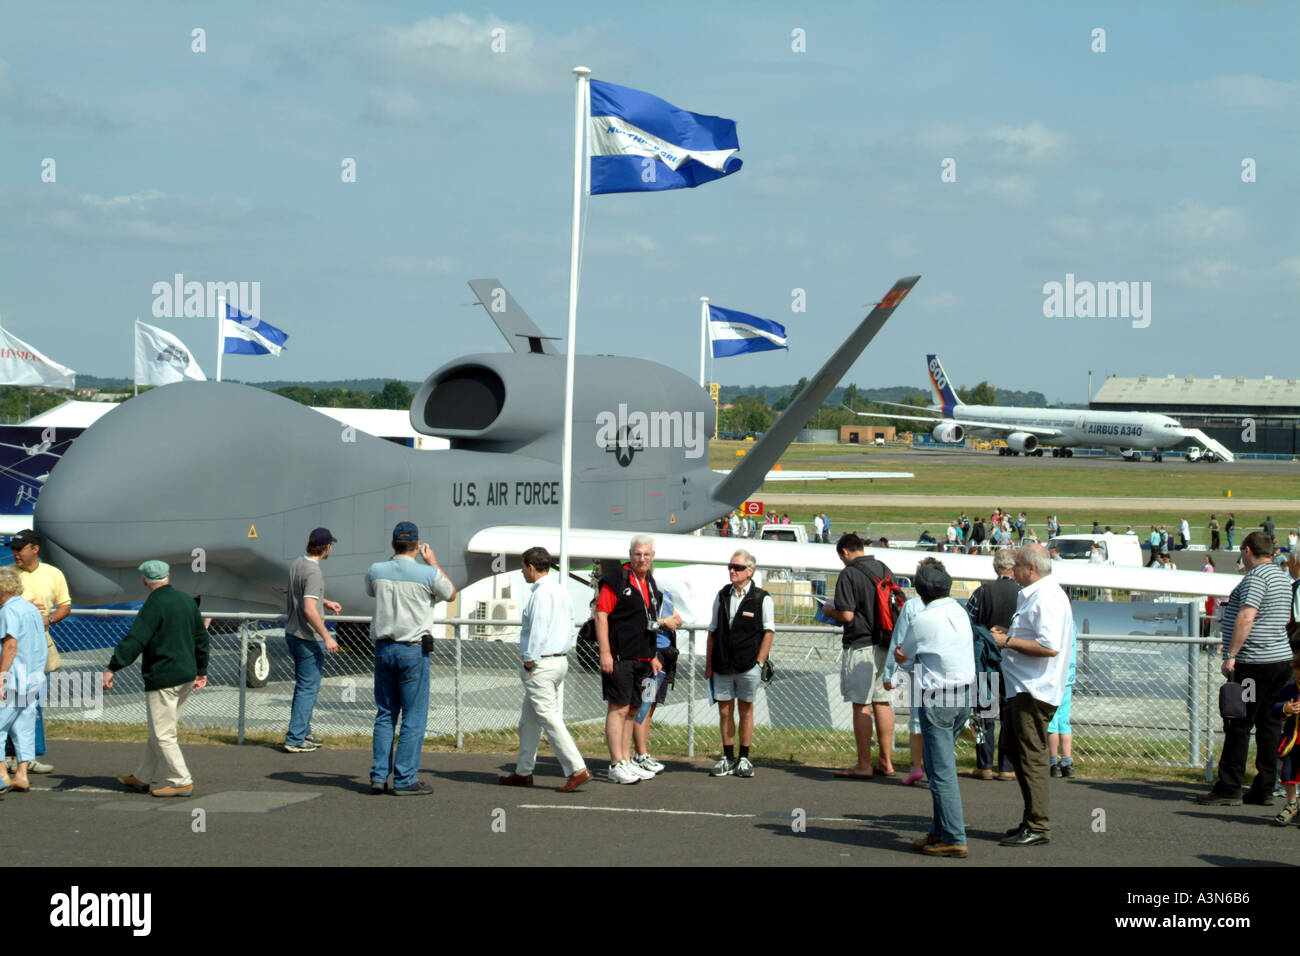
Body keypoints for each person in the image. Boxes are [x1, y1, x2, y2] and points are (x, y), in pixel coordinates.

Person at [1197, 532, 1294, 807]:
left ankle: (1230, 786)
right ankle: (1264, 785)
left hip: (1255, 662)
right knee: (1269, 723)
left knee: (1238, 722)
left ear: (1248, 551)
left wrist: (1231, 654)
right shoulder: (1280, 577)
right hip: (1279, 660)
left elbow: (1247, 615)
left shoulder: (1256, 578)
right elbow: (1285, 616)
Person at [990, 544, 1074, 846]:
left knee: (1030, 756)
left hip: (1033, 689)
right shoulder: (1039, 594)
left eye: (1019, 567)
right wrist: (1009, 635)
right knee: (1015, 749)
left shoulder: (1047, 597)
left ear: (1032, 569)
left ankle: (1038, 824)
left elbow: (1049, 646)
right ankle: (1031, 820)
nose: (1014, 572)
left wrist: (1008, 641)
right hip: (1023, 687)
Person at [103, 561, 209, 797]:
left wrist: (113, 667)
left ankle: (181, 780)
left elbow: (136, 639)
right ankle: (142, 776)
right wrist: (202, 669)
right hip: (186, 675)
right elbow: (201, 637)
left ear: (144, 580)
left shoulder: (154, 604)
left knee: (163, 734)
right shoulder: (186, 600)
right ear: (168, 576)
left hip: (163, 677)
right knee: (161, 730)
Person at [366, 522, 456, 796]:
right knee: (413, 717)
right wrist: (434, 563)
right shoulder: (427, 574)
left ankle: (379, 776)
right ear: (418, 547)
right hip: (413, 650)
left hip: (384, 648)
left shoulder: (376, 571)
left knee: (385, 714)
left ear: (393, 544)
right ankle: (404, 778)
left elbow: (371, 592)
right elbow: (451, 593)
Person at [897, 560, 975, 858]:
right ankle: (939, 830)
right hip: (964, 693)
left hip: (938, 697)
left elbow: (905, 655)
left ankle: (954, 836)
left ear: (920, 591)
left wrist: (902, 656)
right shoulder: (959, 611)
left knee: (941, 771)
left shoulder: (922, 620)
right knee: (936, 764)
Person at [500, 547, 591, 792]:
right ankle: (523, 771)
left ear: (531, 566)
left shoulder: (539, 595)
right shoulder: (562, 591)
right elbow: (569, 625)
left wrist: (529, 658)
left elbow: (537, 629)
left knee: (549, 718)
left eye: (522, 567)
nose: (522, 572)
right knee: (529, 721)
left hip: (542, 663)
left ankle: (576, 768)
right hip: (559, 660)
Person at [823, 533, 896, 778]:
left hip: (860, 644)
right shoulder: (884, 569)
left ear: (845, 551)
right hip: (885, 642)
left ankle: (863, 763)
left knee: (861, 704)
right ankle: (886, 761)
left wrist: (829, 610)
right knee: (882, 702)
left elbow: (846, 615)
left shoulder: (849, 573)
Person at [594, 535, 664, 785]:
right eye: (637, 554)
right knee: (618, 707)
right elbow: (601, 615)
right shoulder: (617, 580)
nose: (642, 558)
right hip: (620, 656)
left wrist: (653, 655)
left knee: (633, 709)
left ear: (653, 556)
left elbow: (649, 621)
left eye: (646, 554)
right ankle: (616, 763)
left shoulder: (651, 582)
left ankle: (626, 760)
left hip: (643, 656)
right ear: (630, 555)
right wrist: (605, 653)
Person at [5, 530, 68, 776]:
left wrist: (47, 618)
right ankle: (10, 756)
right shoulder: (7, 574)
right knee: (8, 701)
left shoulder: (54, 574)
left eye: (20, 548)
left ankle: (27, 757)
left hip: (38, 644)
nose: (15, 553)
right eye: (13, 548)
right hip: (10, 643)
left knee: (32, 702)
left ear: (35, 549)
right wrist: (24, 609)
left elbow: (65, 606)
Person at [706, 549, 775, 777]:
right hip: (723, 664)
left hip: (748, 666)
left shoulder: (761, 597)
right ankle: (727, 757)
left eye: (737, 567)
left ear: (750, 570)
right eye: (730, 567)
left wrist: (759, 662)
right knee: (725, 712)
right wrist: (709, 664)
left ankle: (744, 757)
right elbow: (713, 631)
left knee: (746, 710)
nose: (732, 571)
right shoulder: (722, 595)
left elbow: (768, 632)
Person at [283, 527, 342, 753]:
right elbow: (308, 608)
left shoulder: (298, 564)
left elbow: (304, 594)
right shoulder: (315, 572)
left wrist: (324, 602)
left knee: (302, 686)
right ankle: (296, 737)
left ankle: (303, 731)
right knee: (308, 688)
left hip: (292, 632)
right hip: (308, 637)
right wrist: (327, 636)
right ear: (327, 547)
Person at [965, 548, 1021, 781]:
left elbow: (968, 621)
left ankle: (984, 764)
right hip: (1014, 659)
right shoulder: (1023, 593)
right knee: (1009, 714)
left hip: (985, 658)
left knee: (984, 712)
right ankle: (1007, 766)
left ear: (995, 567)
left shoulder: (982, 591)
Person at [882, 561, 936, 787]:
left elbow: (899, 641)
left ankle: (916, 766)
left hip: (917, 669)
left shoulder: (912, 606)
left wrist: (889, 673)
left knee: (918, 719)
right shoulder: (953, 607)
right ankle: (936, 767)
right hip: (944, 671)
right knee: (938, 721)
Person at [0, 565, 47, 794]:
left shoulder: (9, 610)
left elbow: (10, 644)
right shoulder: (31, 609)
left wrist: (1, 675)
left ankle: (2, 775)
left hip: (14, 677)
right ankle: (21, 774)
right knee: (24, 726)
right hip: (32, 677)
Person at [631, 587, 682, 777]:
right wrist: (663, 622)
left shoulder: (663, 595)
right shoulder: (642, 596)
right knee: (643, 706)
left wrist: (667, 621)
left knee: (651, 706)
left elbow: (677, 620)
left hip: (665, 653)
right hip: (652, 655)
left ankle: (642, 754)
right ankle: (640, 755)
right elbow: (643, 623)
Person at [1271, 652, 1300, 825]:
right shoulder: (1290, 690)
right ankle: (1292, 804)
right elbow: (1275, 709)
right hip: (1293, 742)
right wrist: (1286, 709)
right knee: (1288, 775)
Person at [1048, 626, 1078, 778]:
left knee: (1052, 722)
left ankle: (1052, 762)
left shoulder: (1057, 621)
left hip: (1054, 677)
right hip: (1068, 677)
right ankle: (1067, 761)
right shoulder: (1072, 625)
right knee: (1064, 722)